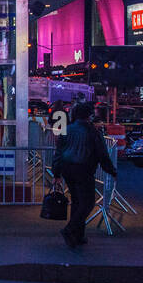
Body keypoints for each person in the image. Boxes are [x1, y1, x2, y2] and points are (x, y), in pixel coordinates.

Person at [53, 102, 118, 249]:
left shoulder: (66, 130)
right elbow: (102, 154)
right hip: (84, 169)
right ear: (90, 115)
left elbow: (58, 153)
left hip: (67, 169)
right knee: (88, 202)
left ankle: (78, 235)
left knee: (76, 201)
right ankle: (71, 229)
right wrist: (111, 170)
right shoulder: (93, 132)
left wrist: (56, 173)